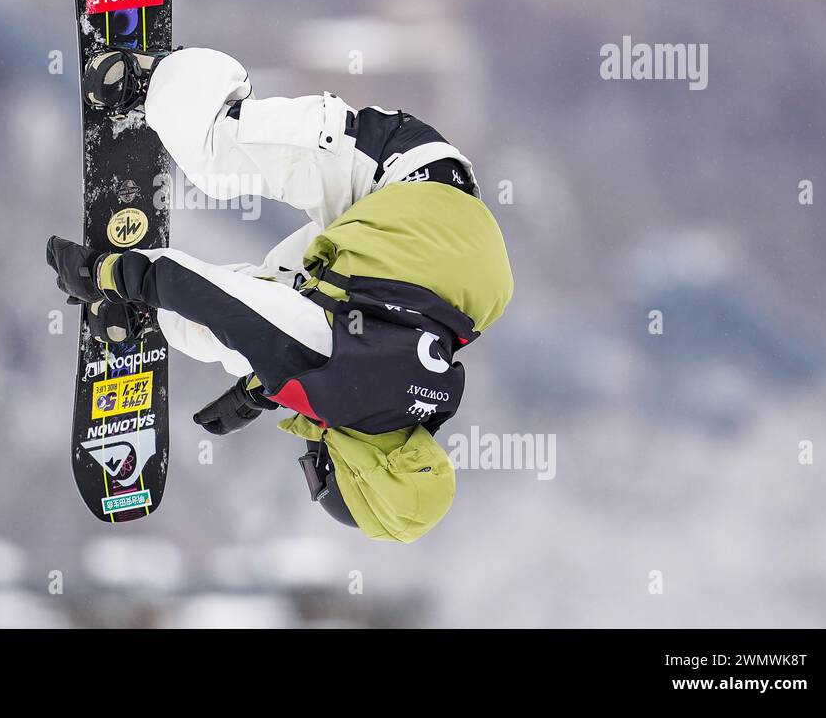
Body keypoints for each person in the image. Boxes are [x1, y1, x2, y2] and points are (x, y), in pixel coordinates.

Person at [46, 46, 513, 542]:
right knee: (216, 157)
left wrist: (263, 387)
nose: (310, 468)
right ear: (355, 474)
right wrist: (114, 273)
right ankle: (156, 77)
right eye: (320, 479)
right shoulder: (341, 374)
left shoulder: (407, 411)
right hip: (395, 170)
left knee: (232, 344)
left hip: (403, 248)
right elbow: (223, 301)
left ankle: (146, 317)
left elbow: (348, 351)